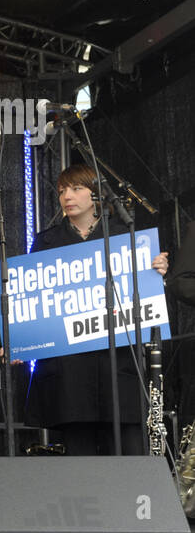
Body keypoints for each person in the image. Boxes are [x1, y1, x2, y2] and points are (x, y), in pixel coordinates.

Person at [23, 163, 168, 456]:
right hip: (70, 373)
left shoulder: (125, 236)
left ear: (96, 195)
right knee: (81, 459)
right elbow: (33, 300)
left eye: (76, 188)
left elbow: (144, 295)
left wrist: (157, 272)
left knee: (127, 454)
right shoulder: (44, 242)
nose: (67, 196)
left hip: (117, 366)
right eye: (62, 190)